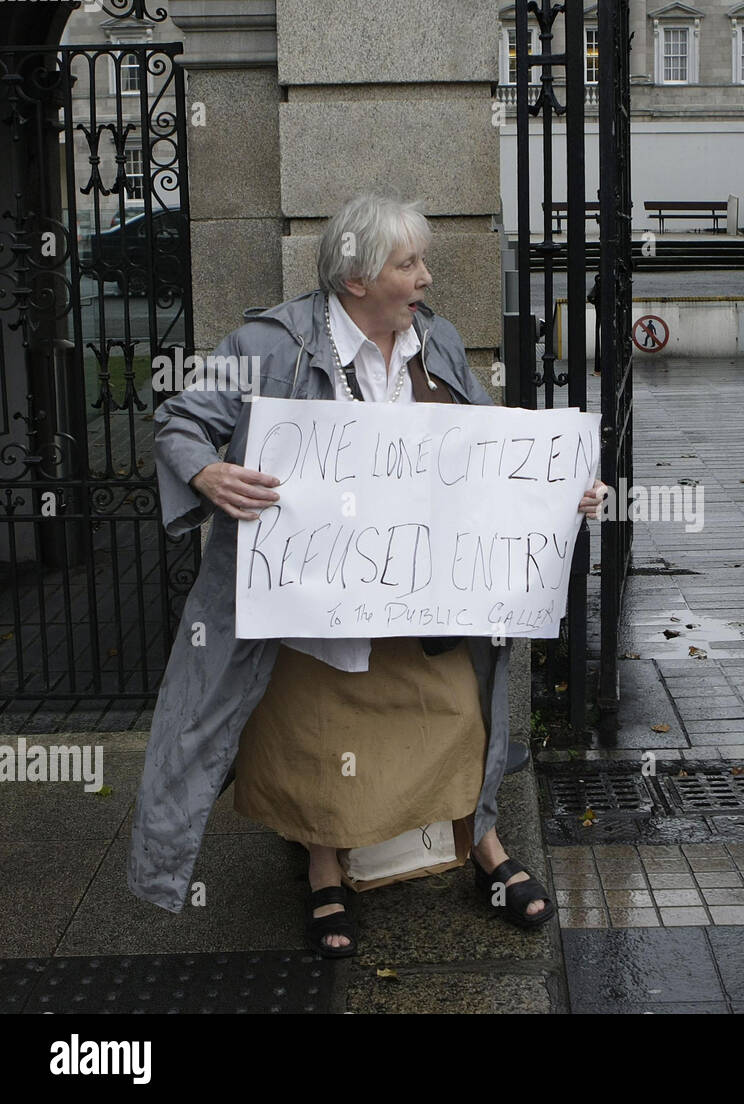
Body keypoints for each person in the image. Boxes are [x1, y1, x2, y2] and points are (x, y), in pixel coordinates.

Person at [129, 194, 606, 954]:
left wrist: (559, 487)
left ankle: (485, 849)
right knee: (322, 734)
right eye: (407, 263)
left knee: (458, 720)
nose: (425, 275)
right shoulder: (269, 341)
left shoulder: (438, 340)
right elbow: (181, 420)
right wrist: (211, 474)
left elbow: (489, 445)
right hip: (314, 604)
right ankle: (324, 871)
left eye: (422, 260)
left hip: (424, 603)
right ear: (355, 280)